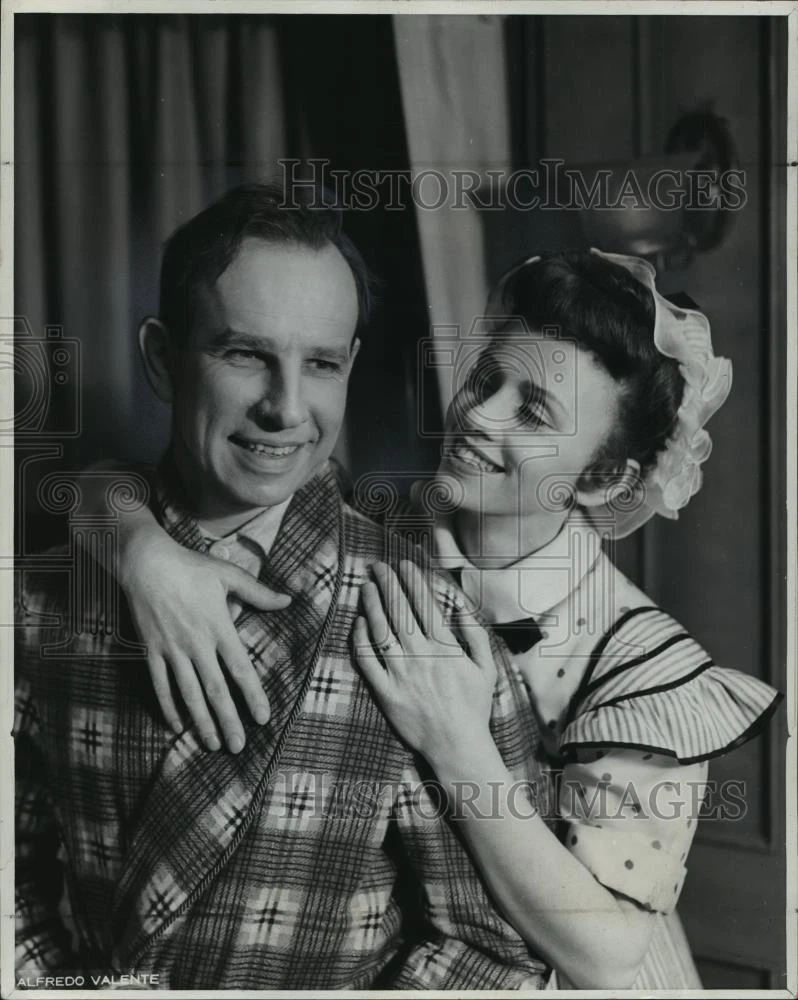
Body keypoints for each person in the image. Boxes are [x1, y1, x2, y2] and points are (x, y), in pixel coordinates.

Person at [88, 248, 781, 989]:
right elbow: (108, 482)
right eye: (488, 380)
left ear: (606, 475)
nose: (479, 415)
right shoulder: (375, 528)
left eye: (534, 410)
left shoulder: (646, 669)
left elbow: (606, 956)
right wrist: (137, 551)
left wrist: (458, 745)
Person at [14, 182, 552, 991]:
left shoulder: (423, 619)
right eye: (245, 354)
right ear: (162, 359)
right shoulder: (46, 596)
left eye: (322, 364)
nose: (287, 409)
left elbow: (495, 950)